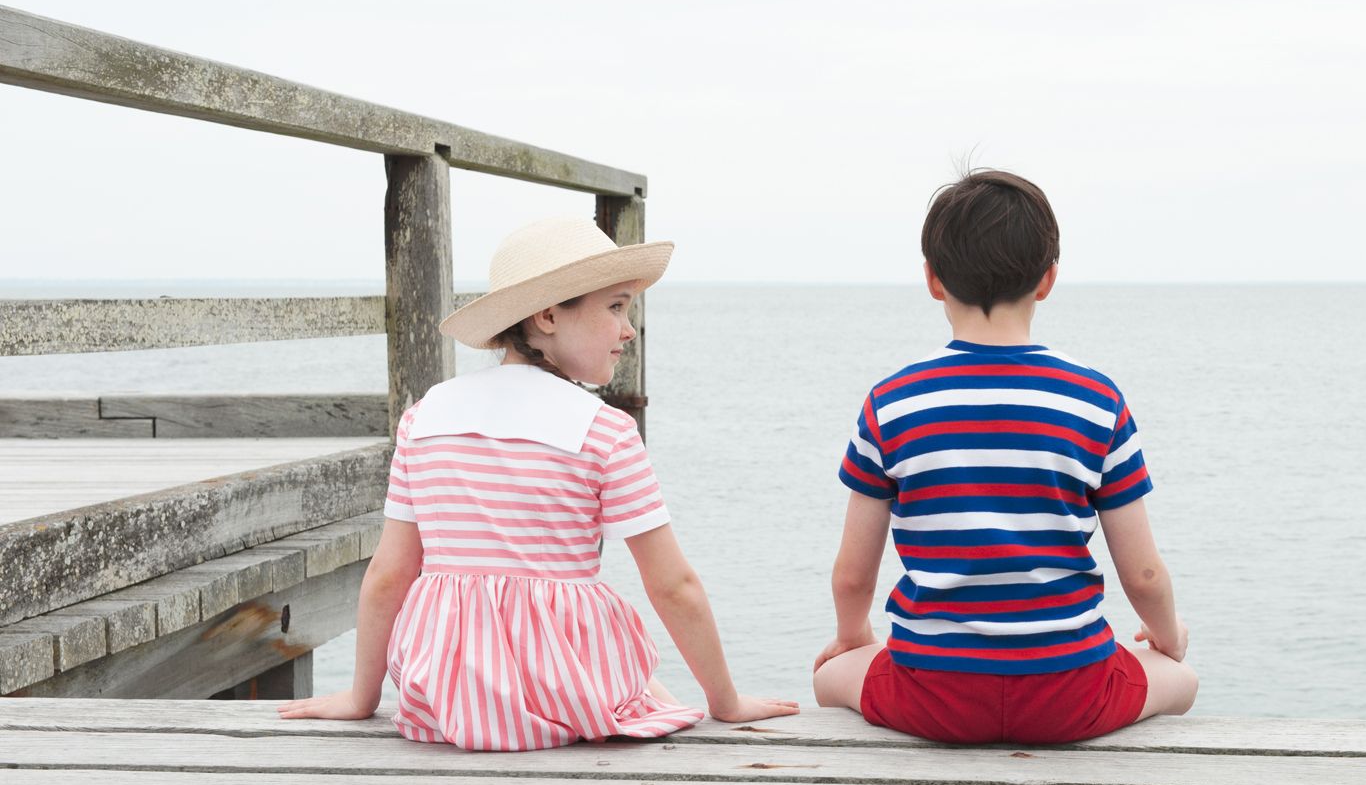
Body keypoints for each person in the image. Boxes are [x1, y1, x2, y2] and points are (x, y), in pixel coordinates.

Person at [280, 217, 798, 749]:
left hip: (445, 700)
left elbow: (390, 573)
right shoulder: (604, 431)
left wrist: (360, 699)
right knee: (651, 689)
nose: (629, 329)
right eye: (616, 306)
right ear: (548, 316)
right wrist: (726, 702)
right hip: (564, 693)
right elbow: (673, 586)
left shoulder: (425, 416)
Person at [812, 170, 1198, 744]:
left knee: (827, 679)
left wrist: (852, 638)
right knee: (1181, 680)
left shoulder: (891, 403)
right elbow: (1142, 574)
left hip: (933, 696)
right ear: (1047, 280)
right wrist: (1167, 634)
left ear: (933, 279)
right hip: (1069, 694)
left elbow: (851, 575)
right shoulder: (1096, 400)